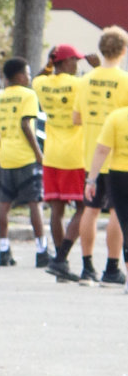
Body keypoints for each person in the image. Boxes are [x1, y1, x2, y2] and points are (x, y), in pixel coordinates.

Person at [72, 27, 128, 286]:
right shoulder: (124, 81)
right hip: (118, 158)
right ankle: (112, 268)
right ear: (123, 50)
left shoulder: (84, 81)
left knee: (90, 211)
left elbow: (76, 118)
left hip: (90, 154)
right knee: (117, 212)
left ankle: (86, 267)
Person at [34, 42, 86, 277]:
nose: (77, 64)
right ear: (64, 62)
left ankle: (60, 261)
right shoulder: (77, 84)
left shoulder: (41, 84)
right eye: (74, 60)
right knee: (85, 208)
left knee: (57, 210)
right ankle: (62, 256)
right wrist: (95, 68)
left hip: (51, 155)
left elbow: (38, 76)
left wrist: (49, 65)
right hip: (74, 155)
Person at [0, 57, 45, 265]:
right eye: (29, 74)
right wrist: (39, 154)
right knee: (35, 203)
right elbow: (26, 125)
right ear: (20, 76)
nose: (30, 78)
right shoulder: (28, 95)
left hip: (6, 157)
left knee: (4, 205)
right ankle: (42, 251)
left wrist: (1, 148)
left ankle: (4, 251)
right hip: (25, 158)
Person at [85, 88, 128, 277]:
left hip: (119, 175)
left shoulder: (116, 117)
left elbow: (102, 150)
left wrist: (91, 179)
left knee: (125, 224)